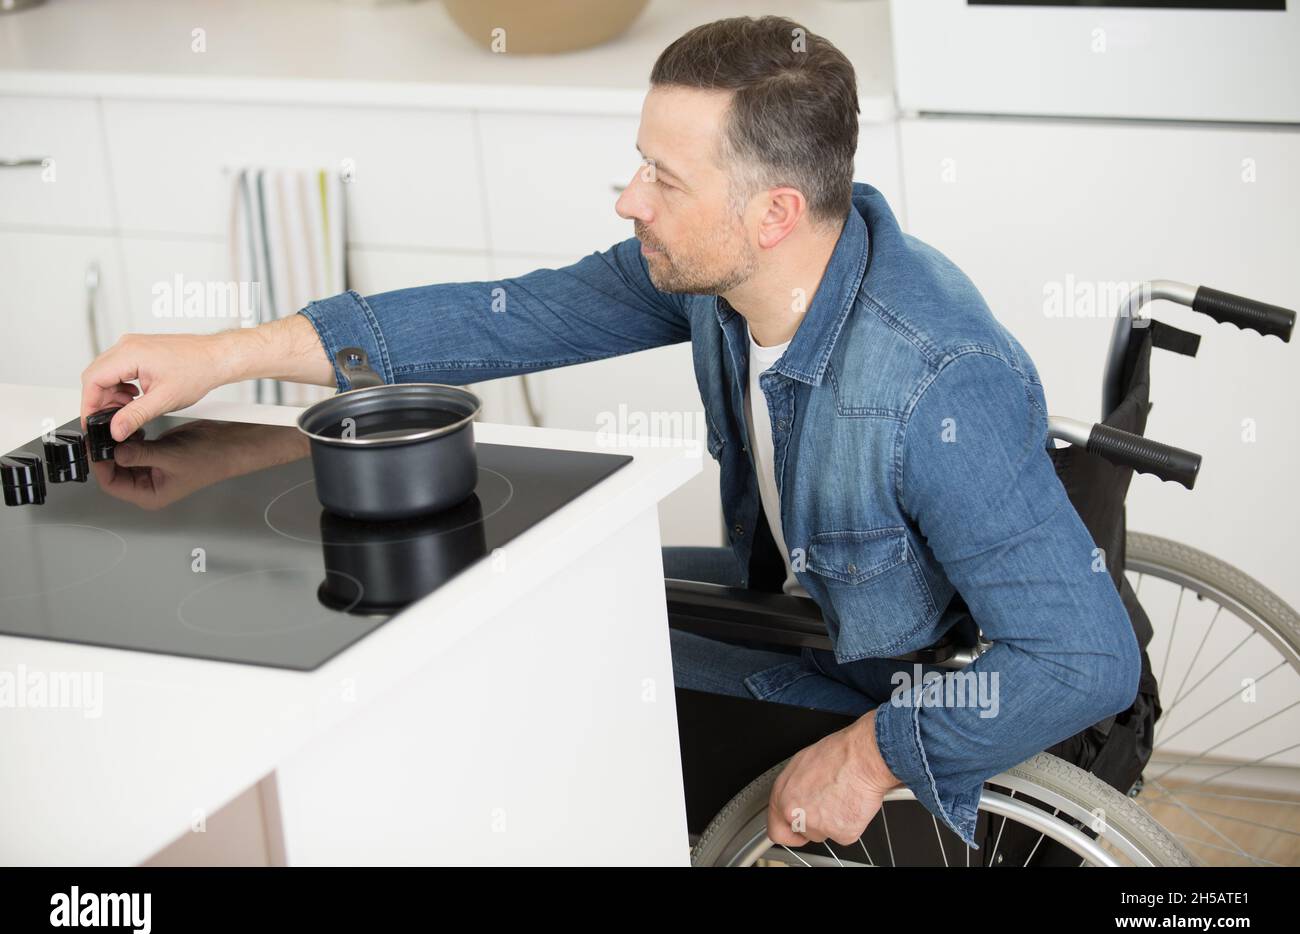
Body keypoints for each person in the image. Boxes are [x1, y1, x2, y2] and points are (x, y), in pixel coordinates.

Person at [79, 15, 1139, 851]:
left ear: (773, 211)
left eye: (663, 180)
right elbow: (503, 317)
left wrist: (867, 758)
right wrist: (222, 355)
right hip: (795, 597)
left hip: (867, 678)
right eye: (640, 164)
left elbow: (1083, 659)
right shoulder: (734, 275)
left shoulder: (934, 379)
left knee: (518, 684)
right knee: (517, 600)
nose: (630, 201)